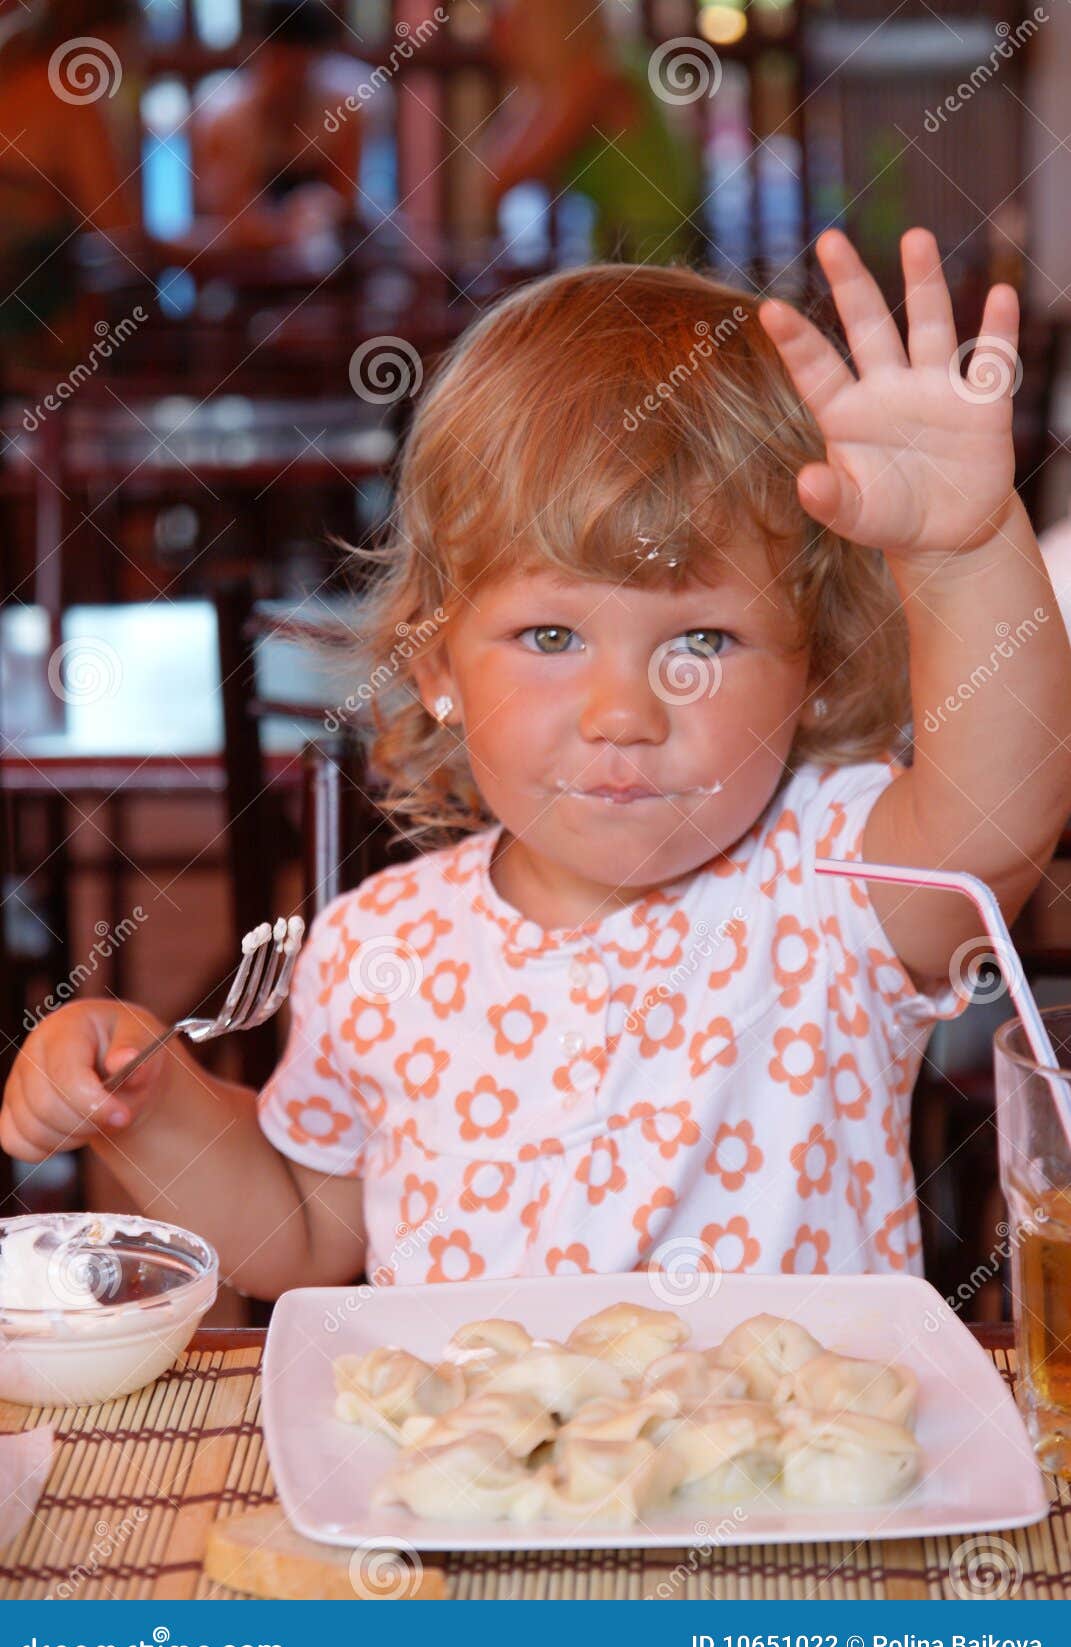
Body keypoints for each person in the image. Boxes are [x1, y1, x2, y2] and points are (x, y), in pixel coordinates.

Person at [4, 228, 1071, 1297]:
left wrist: (964, 549)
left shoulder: (832, 878)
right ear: (437, 664)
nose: (623, 714)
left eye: (702, 640)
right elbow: (306, 1234)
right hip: (471, 1414)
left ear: (815, 666)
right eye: (550, 637)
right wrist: (151, 1108)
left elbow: (1001, 806)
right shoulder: (377, 947)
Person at [484, 0, 703, 265]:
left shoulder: (595, 79)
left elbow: (496, 177)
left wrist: (525, 77)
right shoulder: (617, 60)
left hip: (645, 262)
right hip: (635, 256)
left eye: (519, 23)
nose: (502, 38)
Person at [0, 0, 140, 373]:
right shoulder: (67, 94)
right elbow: (117, 234)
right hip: (30, 341)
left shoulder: (12, 71)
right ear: (105, 37)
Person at [190, 0, 368, 259]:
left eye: (301, 65)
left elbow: (345, 202)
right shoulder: (225, 119)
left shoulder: (344, 113)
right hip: (243, 262)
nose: (289, 76)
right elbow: (228, 214)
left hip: (320, 260)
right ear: (259, 54)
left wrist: (317, 216)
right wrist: (283, 231)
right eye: (279, 62)